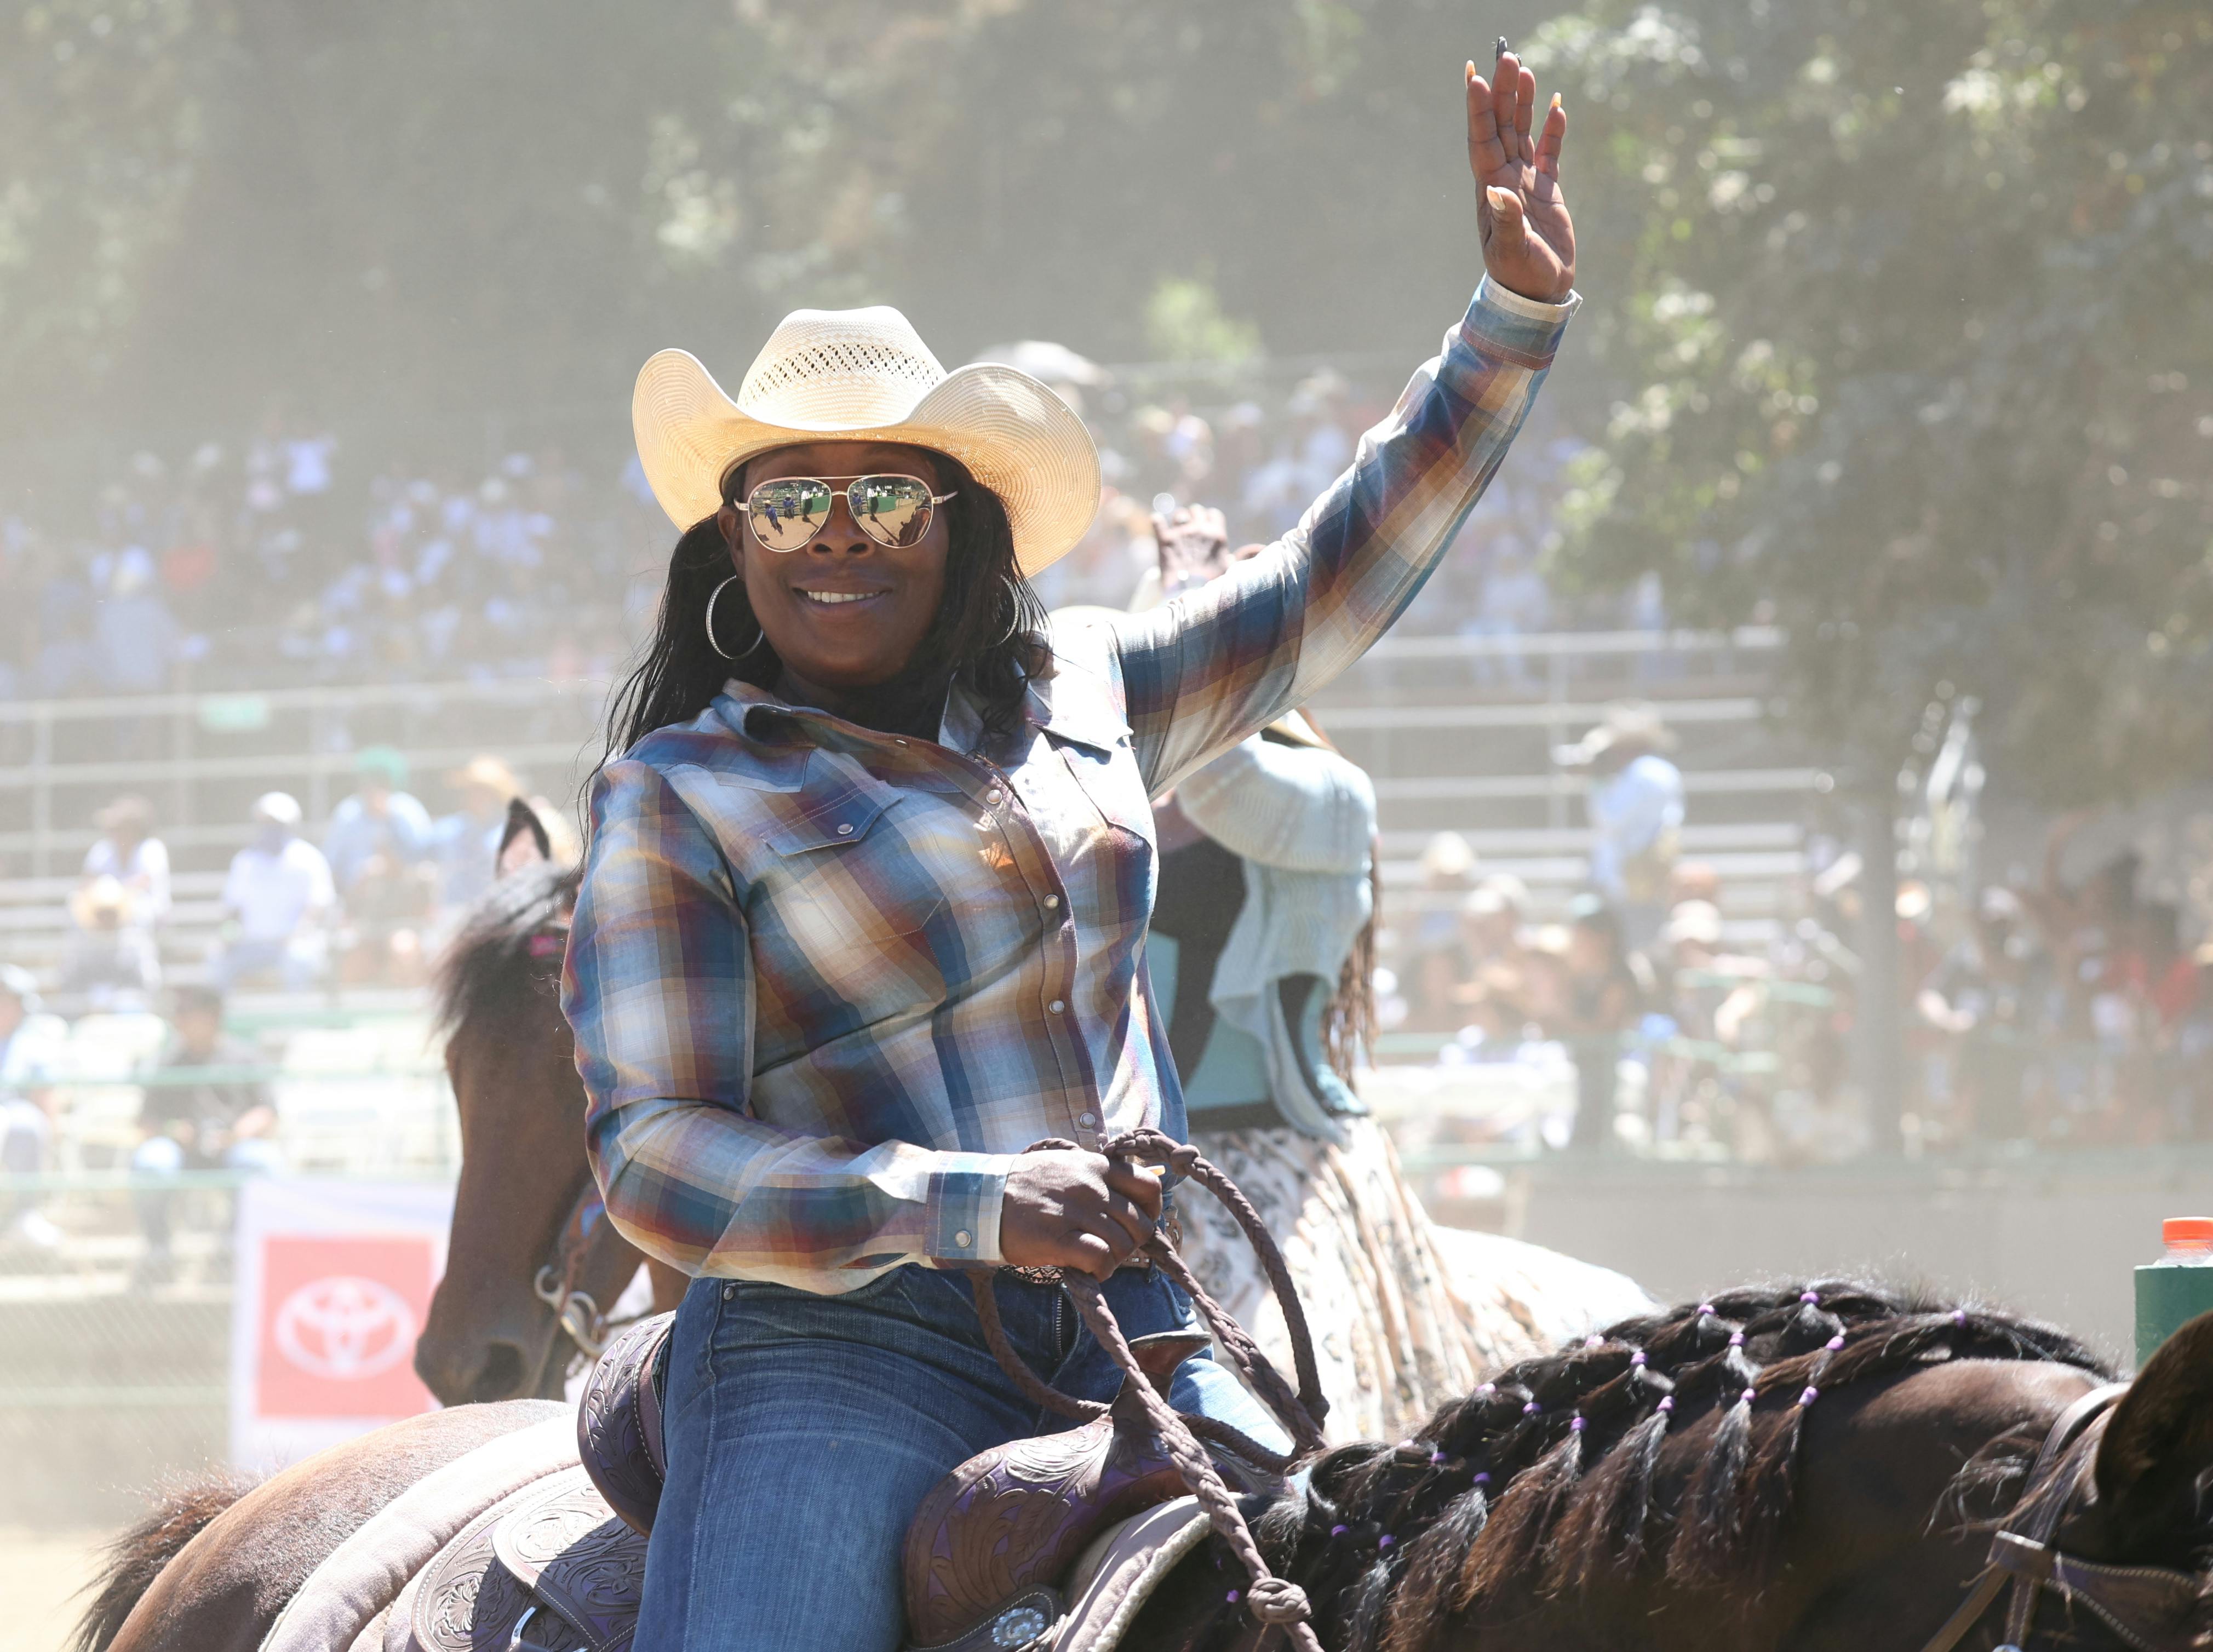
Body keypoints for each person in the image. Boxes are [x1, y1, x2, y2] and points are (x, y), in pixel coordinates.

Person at [565, 43, 1579, 1649]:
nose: (836, 542)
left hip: (1149, 1336)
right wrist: (963, 1200)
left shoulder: (1092, 685)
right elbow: (653, 1162)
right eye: (785, 509)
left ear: (959, 529)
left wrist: (1506, 325)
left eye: (886, 503)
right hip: (833, 1358)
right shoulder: (679, 799)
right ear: (732, 546)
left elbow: (1329, 581)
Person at [1131, 506, 1627, 1440]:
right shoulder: (1122, 796)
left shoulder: (1330, 798)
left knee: (1288, 1400)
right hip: (1139, 1175)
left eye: (1205, 640)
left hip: (1282, 1163)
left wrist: (1193, 594)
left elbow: (1221, 781)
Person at [130, 984, 279, 1283]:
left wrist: (238, 1134)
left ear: (213, 1018)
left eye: (189, 1015)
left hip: (233, 1147)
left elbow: (267, 1112)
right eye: (180, 1015)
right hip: (181, 1150)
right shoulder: (167, 1062)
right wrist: (173, 1130)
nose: (181, 1022)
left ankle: (234, 1242)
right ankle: (158, 1246)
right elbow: (146, 1121)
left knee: (260, 1162)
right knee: (151, 1162)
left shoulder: (244, 1057)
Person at [1556, 701, 1684, 954]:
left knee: (1630, 948)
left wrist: (1597, 783)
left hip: (1630, 883)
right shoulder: (1658, 772)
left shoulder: (1641, 774)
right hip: (1640, 878)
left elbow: (1609, 819)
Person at [214, 792, 335, 990]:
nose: (269, 829)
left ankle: (296, 1019)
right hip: (251, 945)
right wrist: (227, 937)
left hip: (294, 944)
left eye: (276, 823)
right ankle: (222, 1020)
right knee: (217, 960)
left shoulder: (309, 859)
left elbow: (317, 906)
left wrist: (296, 935)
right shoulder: (246, 861)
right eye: (265, 823)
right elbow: (232, 910)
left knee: (299, 959)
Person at [0, 965, 67, 1249]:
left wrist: (53, 1137)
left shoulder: (32, 1045)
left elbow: (45, 1099)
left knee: (28, 1123)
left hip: (14, 1127)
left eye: (7, 999)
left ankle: (25, 1216)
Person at [431, 754, 521, 911]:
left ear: (495, 796)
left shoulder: (511, 832)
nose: (474, 796)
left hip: (495, 912)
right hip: (455, 911)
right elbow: (420, 853)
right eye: (471, 791)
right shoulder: (450, 829)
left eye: (482, 791)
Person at [80, 795, 171, 931]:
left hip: (150, 920)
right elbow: (87, 882)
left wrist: (113, 895)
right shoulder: (102, 849)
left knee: (140, 909)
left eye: (118, 828)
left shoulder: (151, 849)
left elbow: (144, 882)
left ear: (133, 829)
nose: (112, 832)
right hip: (105, 912)